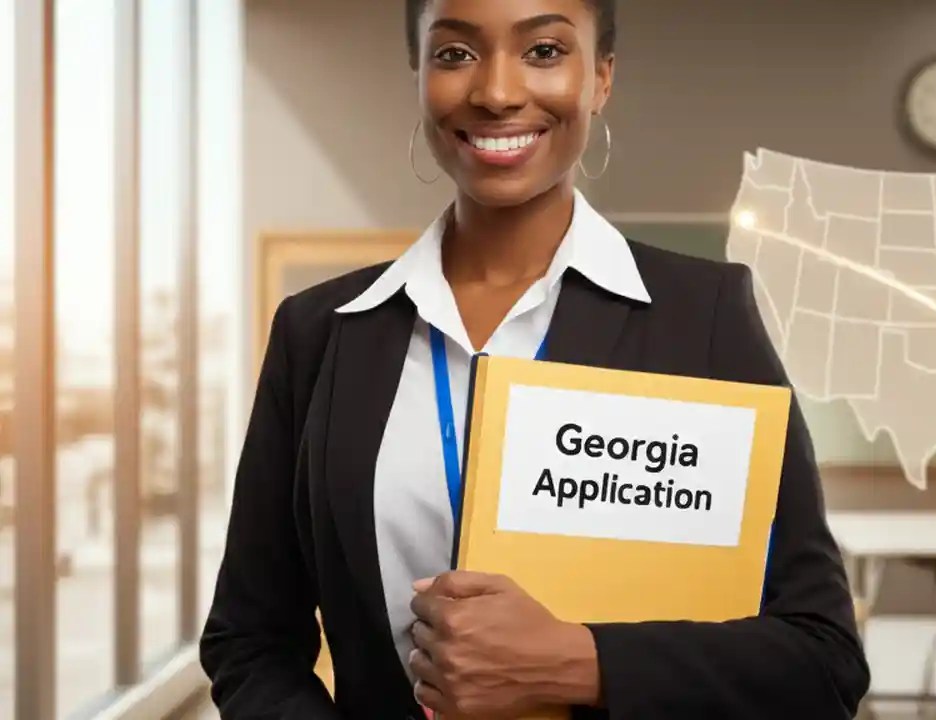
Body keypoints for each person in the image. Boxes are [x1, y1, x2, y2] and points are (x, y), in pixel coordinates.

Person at [199, 0, 871, 717]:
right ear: (419, 74)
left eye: (544, 51)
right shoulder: (319, 334)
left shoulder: (703, 318)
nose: (496, 92)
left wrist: (577, 664)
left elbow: (822, 659)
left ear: (601, 77)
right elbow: (250, 640)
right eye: (455, 54)